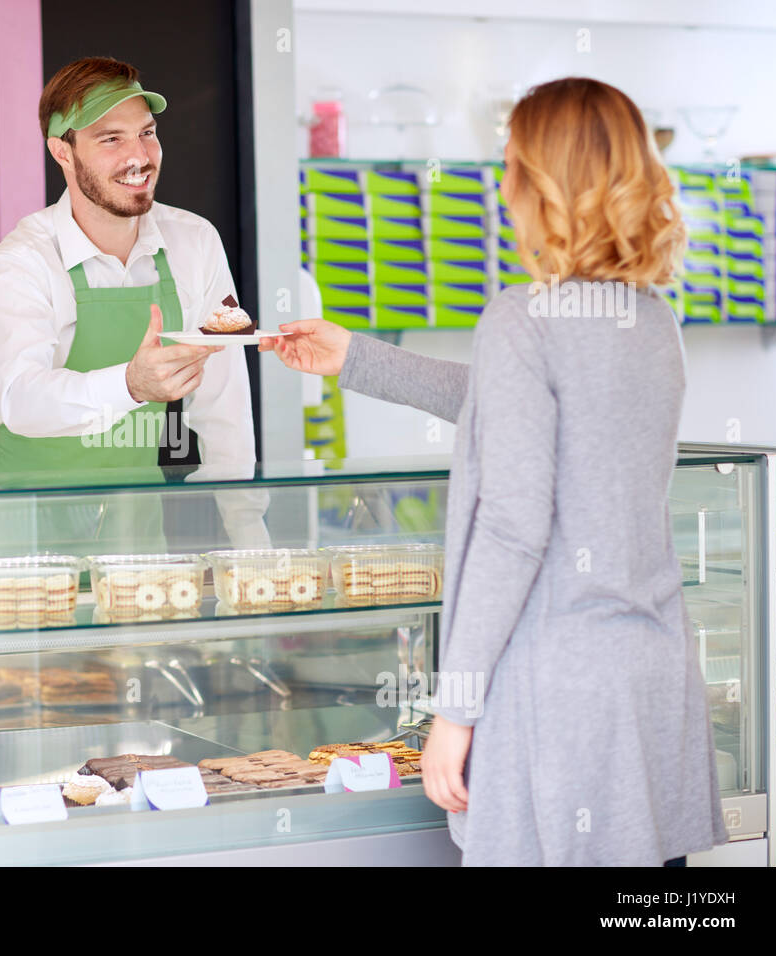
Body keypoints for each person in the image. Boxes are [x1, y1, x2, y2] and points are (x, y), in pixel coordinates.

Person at [262, 77, 728, 866]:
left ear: (537, 183)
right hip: (649, 685)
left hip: (556, 692)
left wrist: (456, 710)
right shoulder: (650, 320)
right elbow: (526, 411)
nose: (501, 184)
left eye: (510, 163)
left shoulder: (522, 319)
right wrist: (358, 359)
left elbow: (515, 526)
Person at [0, 56, 262, 554]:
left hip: (134, 526)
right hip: (22, 529)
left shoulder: (195, 242)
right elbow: (17, 398)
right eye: (111, 139)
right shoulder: (21, 261)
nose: (139, 156)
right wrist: (131, 385)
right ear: (62, 151)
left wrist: (248, 534)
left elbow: (224, 401)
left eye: (147, 133)